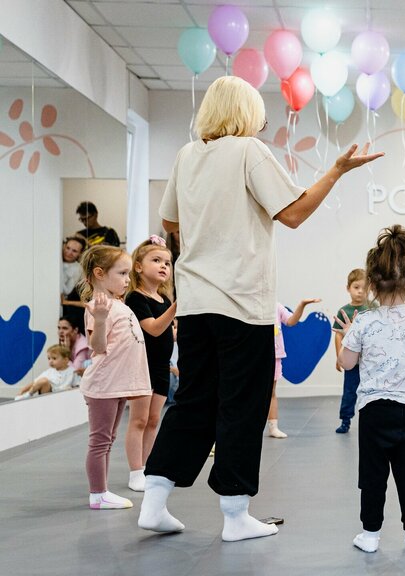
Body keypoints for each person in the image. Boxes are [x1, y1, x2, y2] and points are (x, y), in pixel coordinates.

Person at [137, 75, 382, 542]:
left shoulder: (187, 155)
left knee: (192, 401)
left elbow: (169, 219)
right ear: (245, 112)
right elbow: (293, 213)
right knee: (242, 406)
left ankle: (154, 502)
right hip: (242, 303)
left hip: (195, 304)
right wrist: (336, 171)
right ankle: (235, 516)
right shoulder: (249, 150)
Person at [338, 225, 405, 554]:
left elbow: (346, 363)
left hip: (373, 411)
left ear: (371, 283)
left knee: (372, 476)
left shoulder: (363, 321)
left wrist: (348, 335)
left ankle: (370, 535)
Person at [78, 245, 151, 510]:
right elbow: (97, 347)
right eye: (122, 273)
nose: (127, 280)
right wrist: (99, 319)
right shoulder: (98, 307)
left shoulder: (118, 304)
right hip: (104, 384)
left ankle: (102, 491)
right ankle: (97, 494)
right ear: (100, 273)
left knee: (108, 440)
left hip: (116, 384)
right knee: (100, 441)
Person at [123, 236, 177, 491]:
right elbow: (154, 329)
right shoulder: (136, 298)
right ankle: (135, 472)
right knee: (139, 420)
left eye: (167, 262)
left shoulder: (163, 299)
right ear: (138, 267)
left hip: (161, 367)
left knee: (154, 420)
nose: (163, 266)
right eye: (156, 260)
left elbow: (168, 333)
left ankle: (146, 468)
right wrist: (176, 308)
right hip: (142, 366)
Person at [266, 298, 321, 439]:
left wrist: (302, 305)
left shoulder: (276, 306)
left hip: (275, 356)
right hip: (256, 356)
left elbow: (291, 321)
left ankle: (273, 427)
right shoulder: (252, 307)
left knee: (271, 392)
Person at [332, 268, 372, 434]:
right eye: (356, 287)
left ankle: (370, 420)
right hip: (352, 362)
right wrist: (339, 357)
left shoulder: (373, 308)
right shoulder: (344, 311)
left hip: (370, 362)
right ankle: (345, 420)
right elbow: (338, 335)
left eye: (364, 287)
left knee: (371, 392)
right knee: (349, 391)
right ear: (348, 288)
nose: (360, 291)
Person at [60, 235, 87, 334]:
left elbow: (67, 290)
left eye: (74, 251)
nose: (69, 252)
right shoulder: (57, 260)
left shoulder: (77, 269)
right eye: (68, 248)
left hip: (62, 307)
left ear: (80, 254)